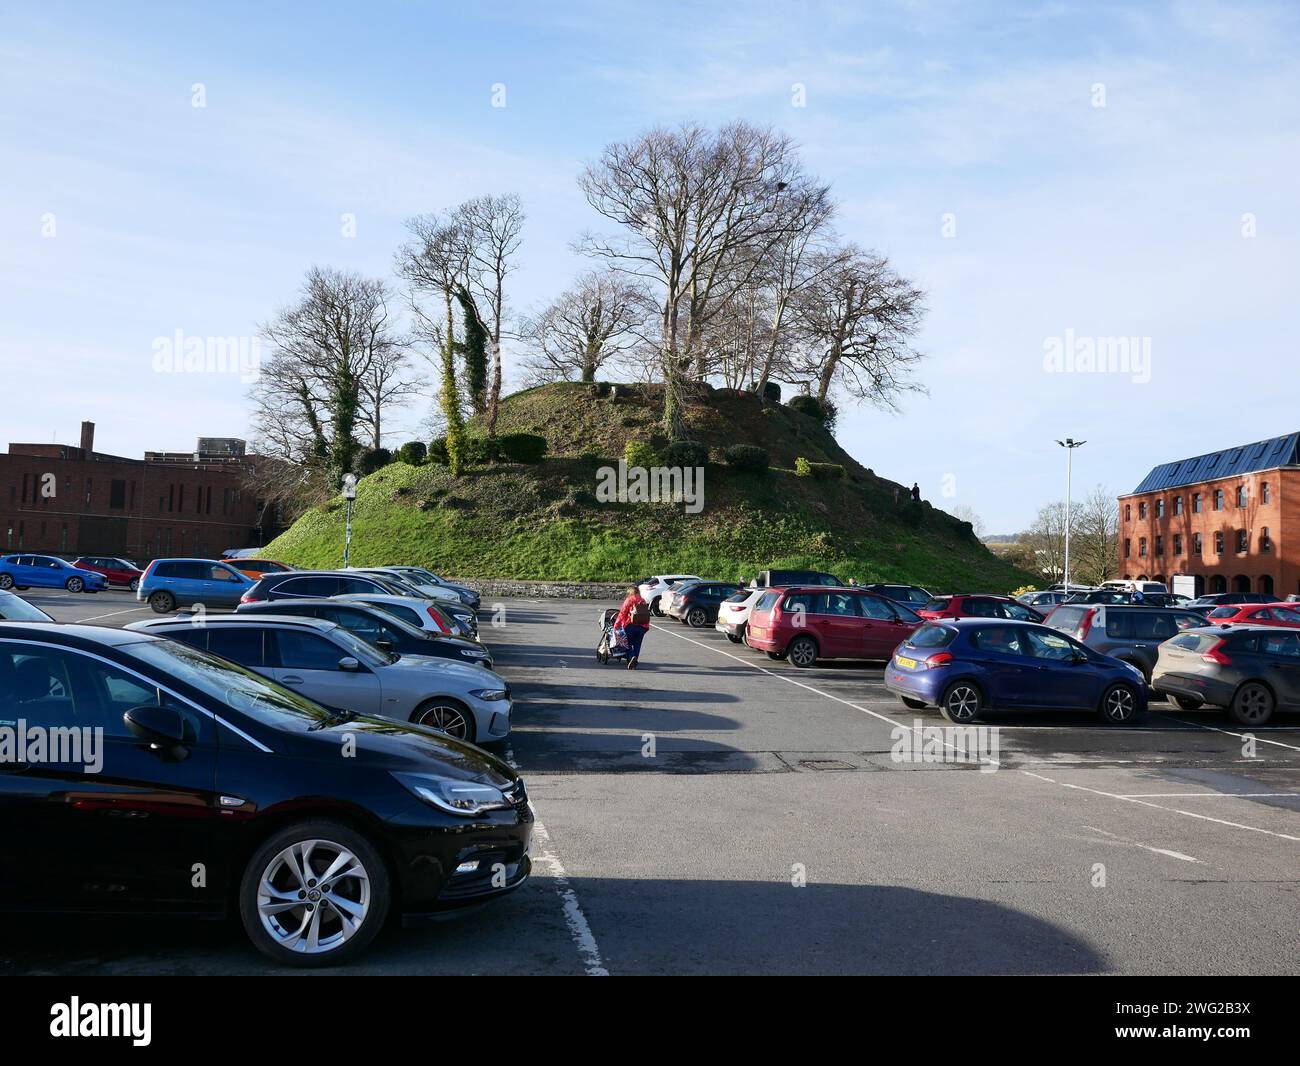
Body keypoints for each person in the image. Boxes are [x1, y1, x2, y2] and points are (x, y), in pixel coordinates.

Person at [614, 585, 651, 670]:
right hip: (642, 626)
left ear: (630, 592)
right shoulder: (643, 600)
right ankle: (634, 662)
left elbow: (622, 613)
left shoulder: (629, 600)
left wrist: (616, 625)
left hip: (631, 625)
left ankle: (632, 656)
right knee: (637, 644)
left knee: (627, 644)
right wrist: (646, 627)